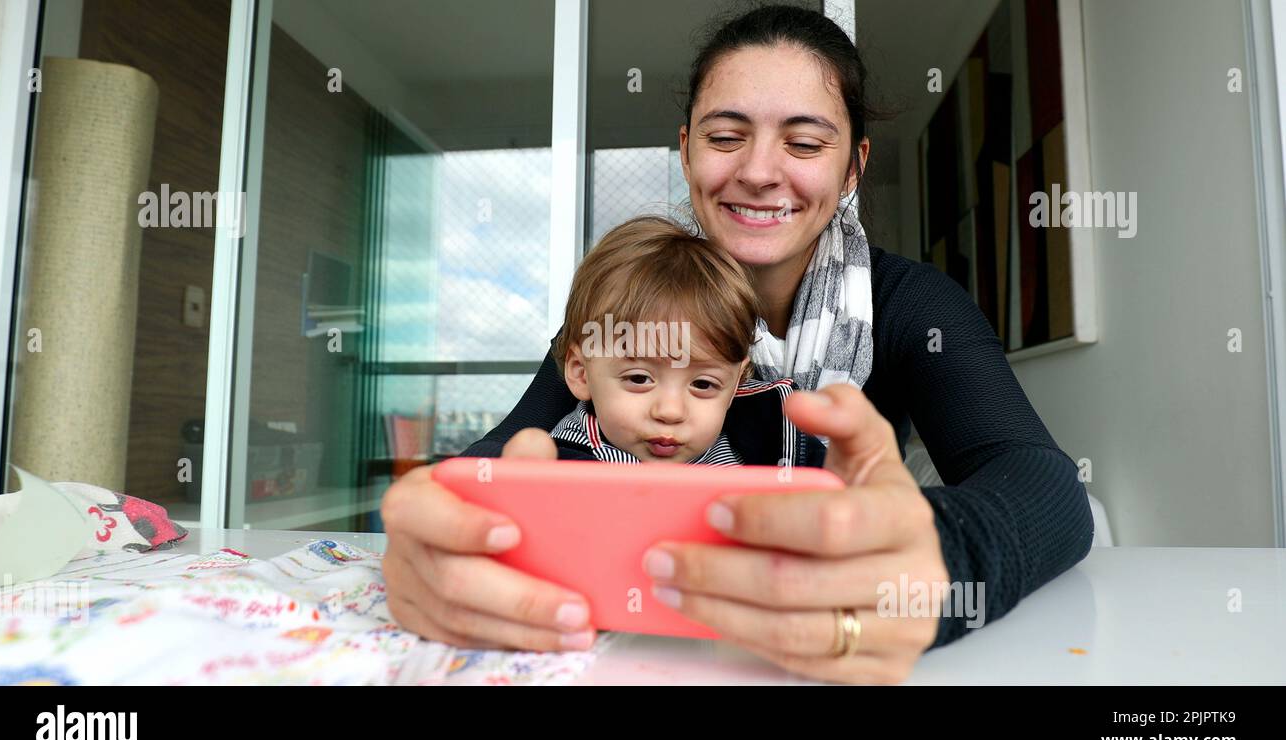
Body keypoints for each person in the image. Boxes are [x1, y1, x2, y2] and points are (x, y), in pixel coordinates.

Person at [381, 4, 1094, 684]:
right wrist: (430, 541)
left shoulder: (911, 306)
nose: (757, 170)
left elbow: (1045, 484)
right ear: (686, 150)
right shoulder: (626, 303)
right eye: (725, 137)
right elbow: (490, 468)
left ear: (853, 166)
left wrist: (935, 564)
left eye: (806, 142)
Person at [547, 215, 826, 467]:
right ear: (581, 373)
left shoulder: (777, 438)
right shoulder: (563, 471)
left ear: (734, 386)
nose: (670, 412)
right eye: (639, 379)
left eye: (703, 384)